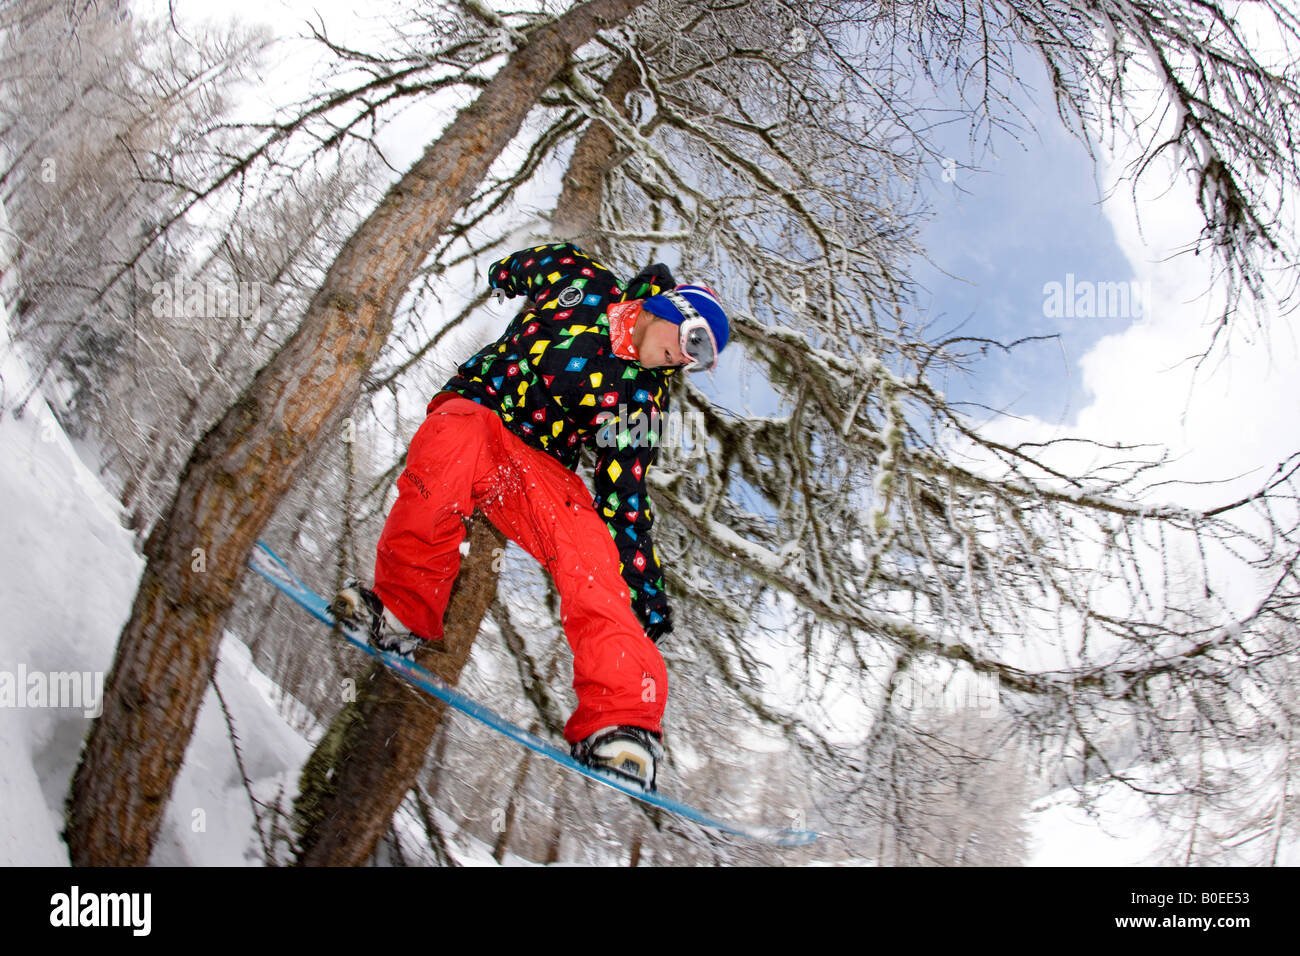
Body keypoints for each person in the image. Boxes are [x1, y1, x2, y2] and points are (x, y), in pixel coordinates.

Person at [333, 242, 729, 791]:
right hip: (480, 407)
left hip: (536, 467)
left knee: (590, 551)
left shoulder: (641, 400)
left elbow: (624, 498)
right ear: (668, 309)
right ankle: (401, 609)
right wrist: (505, 275)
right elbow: (538, 260)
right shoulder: (586, 284)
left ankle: (620, 717)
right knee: (443, 464)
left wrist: (643, 587)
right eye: (693, 342)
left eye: (700, 360)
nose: (686, 360)